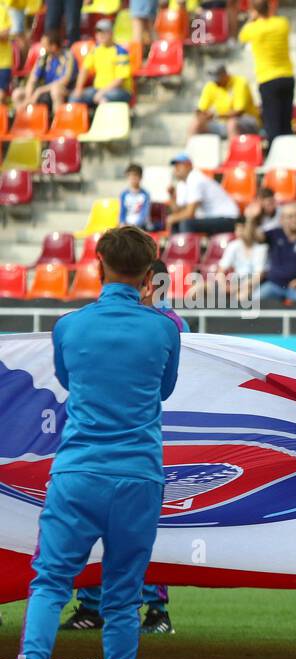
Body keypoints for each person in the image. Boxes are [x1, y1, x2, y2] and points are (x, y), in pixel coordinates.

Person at [8, 226, 180, 659]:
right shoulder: (165, 328)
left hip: (78, 472)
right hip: (137, 477)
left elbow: (67, 379)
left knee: (50, 584)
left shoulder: (70, 326)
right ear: (150, 274)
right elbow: (164, 389)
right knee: (125, 596)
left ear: (98, 263)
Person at [60, 258, 188, 637]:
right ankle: (93, 606)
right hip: (115, 449)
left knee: (137, 535)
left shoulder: (170, 326)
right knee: (99, 530)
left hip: (150, 443)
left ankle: (154, 607)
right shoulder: (108, 322)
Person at [239, 0, 295, 141]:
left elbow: (241, 37)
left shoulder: (253, 28)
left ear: (255, 11)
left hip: (268, 78)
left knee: (272, 123)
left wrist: (252, 18)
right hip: (287, 76)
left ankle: (276, 155)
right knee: (286, 122)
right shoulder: (282, 23)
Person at [250, 201, 296, 303]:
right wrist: (252, 219)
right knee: (255, 300)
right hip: (274, 284)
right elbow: (256, 237)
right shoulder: (274, 234)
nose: (295, 220)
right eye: (290, 217)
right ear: (282, 220)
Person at [166, 153, 241, 236]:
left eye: (179, 165)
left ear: (189, 165)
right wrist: (172, 196)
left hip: (228, 218)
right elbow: (178, 211)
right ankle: (178, 248)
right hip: (213, 218)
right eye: (175, 166)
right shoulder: (182, 184)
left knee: (186, 223)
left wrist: (172, 218)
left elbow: (190, 213)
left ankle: (188, 248)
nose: (176, 169)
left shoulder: (196, 179)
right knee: (177, 223)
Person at [71, 19, 132, 107]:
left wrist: (101, 93)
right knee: (75, 98)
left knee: (108, 97)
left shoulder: (121, 52)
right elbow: (84, 69)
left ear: (111, 33)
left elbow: (120, 80)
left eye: (104, 32)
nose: (100, 35)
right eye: (98, 32)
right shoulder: (95, 50)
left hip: (119, 90)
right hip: (97, 89)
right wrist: (78, 88)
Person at [192, 64, 261, 138]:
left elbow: (239, 112)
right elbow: (200, 109)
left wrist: (215, 115)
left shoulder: (240, 82)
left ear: (225, 75)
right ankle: (191, 148)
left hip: (248, 122)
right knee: (195, 123)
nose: (216, 83)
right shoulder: (211, 85)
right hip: (223, 123)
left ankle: (232, 149)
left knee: (232, 123)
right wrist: (201, 115)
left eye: (217, 79)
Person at [15, 36, 77, 112]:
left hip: (66, 91)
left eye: (44, 45)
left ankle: (57, 121)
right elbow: (32, 79)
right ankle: (23, 121)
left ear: (53, 46)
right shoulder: (43, 58)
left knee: (55, 91)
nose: (42, 47)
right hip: (44, 92)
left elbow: (64, 81)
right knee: (17, 94)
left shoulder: (68, 57)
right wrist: (29, 97)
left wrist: (40, 91)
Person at [119, 163, 150, 229]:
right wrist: (123, 223)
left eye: (135, 175)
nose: (133, 178)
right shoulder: (124, 194)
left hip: (140, 226)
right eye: (131, 176)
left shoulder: (145, 195)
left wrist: (135, 225)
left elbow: (144, 213)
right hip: (126, 225)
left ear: (141, 177)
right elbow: (122, 211)